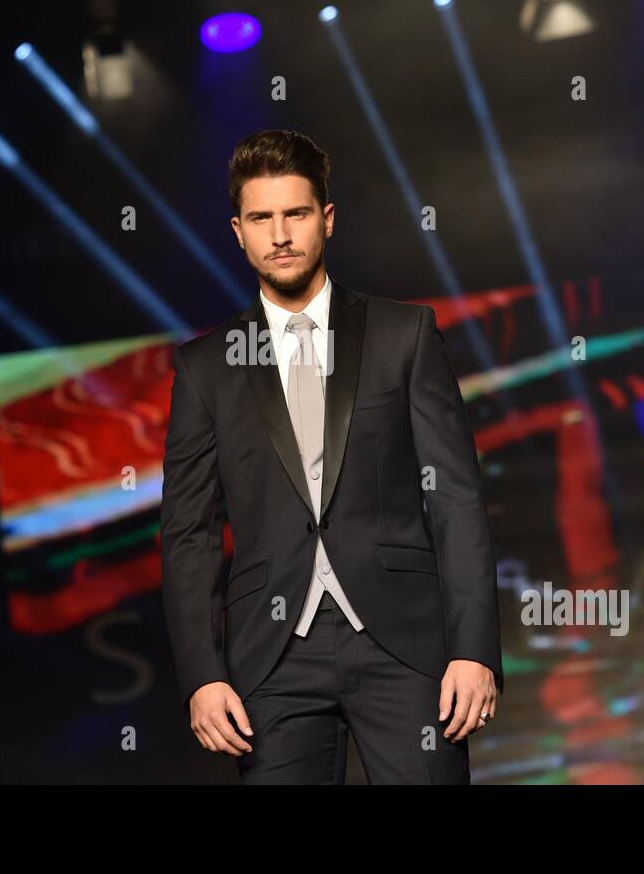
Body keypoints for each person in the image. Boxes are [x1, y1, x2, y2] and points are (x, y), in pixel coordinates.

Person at [161, 128, 503, 783]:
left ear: (327, 218)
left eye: (295, 213)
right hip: (271, 658)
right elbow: (189, 534)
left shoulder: (403, 336)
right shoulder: (206, 368)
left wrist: (474, 649)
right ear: (238, 231)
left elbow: (455, 499)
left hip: (405, 645)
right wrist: (202, 673)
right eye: (261, 218)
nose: (280, 233)